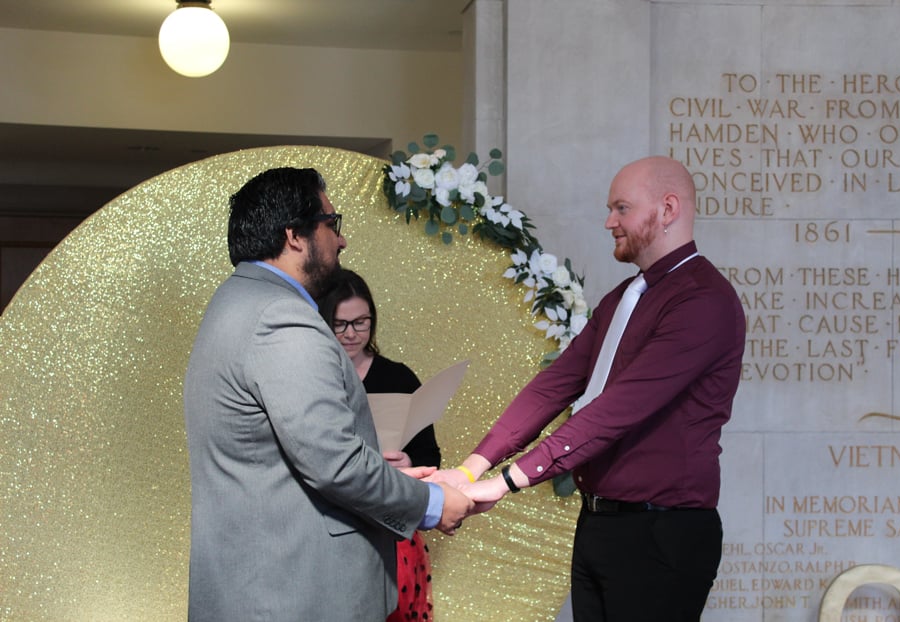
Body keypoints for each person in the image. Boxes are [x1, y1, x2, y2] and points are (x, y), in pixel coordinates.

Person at [438, 156, 746, 621]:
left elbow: (614, 412)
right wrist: (469, 471)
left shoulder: (703, 301)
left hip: (661, 534)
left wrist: (503, 483)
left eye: (621, 208)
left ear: (667, 209)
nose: (609, 222)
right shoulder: (624, 298)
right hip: (601, 523)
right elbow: (552, 388)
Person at [183, 167, 473, 622]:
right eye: (331, 224)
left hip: (261, 588)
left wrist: (387, 473)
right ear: (295, 236)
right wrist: (433, 505)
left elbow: (283, 456)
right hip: (295, 596)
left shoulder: (233, 302)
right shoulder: (282, 319)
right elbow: (334, 464)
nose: (340, 242)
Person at [319, 268, 441, 622]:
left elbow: (430, 457)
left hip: (390, 528)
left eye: (361, 322)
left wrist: (407, 463)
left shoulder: (398, 377)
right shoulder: (312, 376)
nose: (351, 333)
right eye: (340, 324)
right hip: (330, 529)